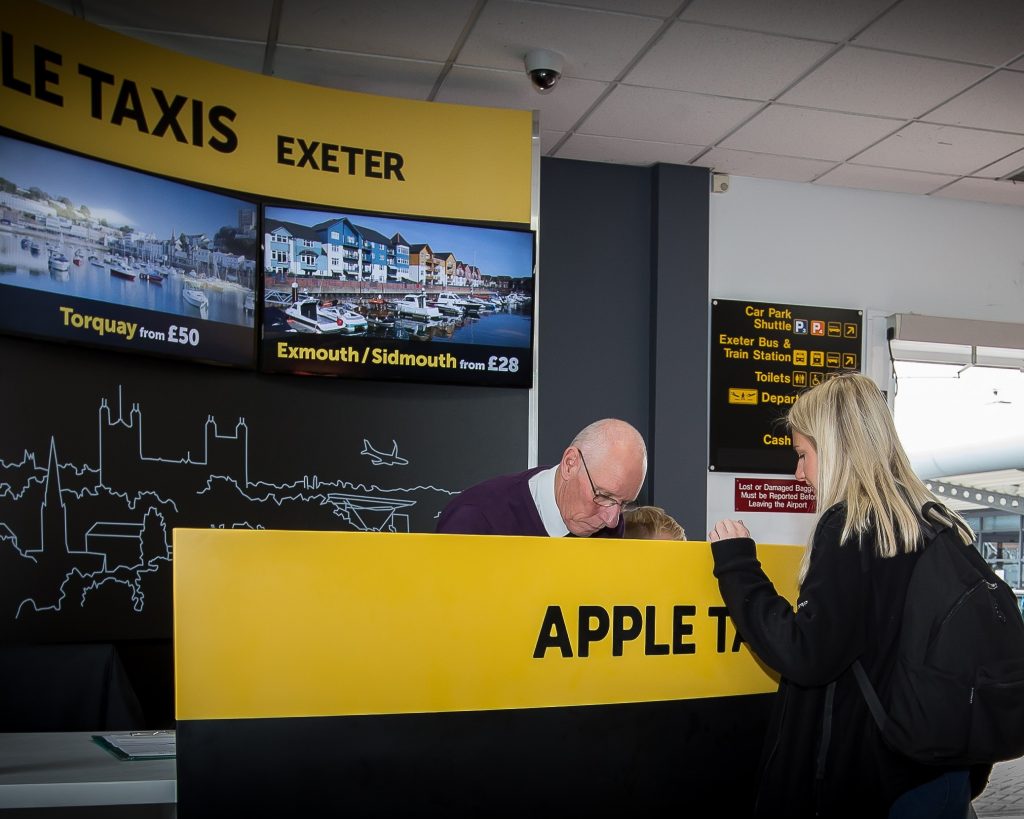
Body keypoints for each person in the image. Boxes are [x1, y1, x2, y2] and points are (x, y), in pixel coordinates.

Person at [708, 373, 981, 819]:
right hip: (942, 771)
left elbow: (808, 655)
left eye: (803, 455)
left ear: (834, 448)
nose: (798, 473)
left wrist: (738, 566)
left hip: (879, 777)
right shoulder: (938, 524)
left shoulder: (852, 528)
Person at [436, 418, 646, 537]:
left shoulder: (609, 524)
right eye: (603, 496)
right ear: (570, 464)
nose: (611, 521)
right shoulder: (477, 519)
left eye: (624, 503)